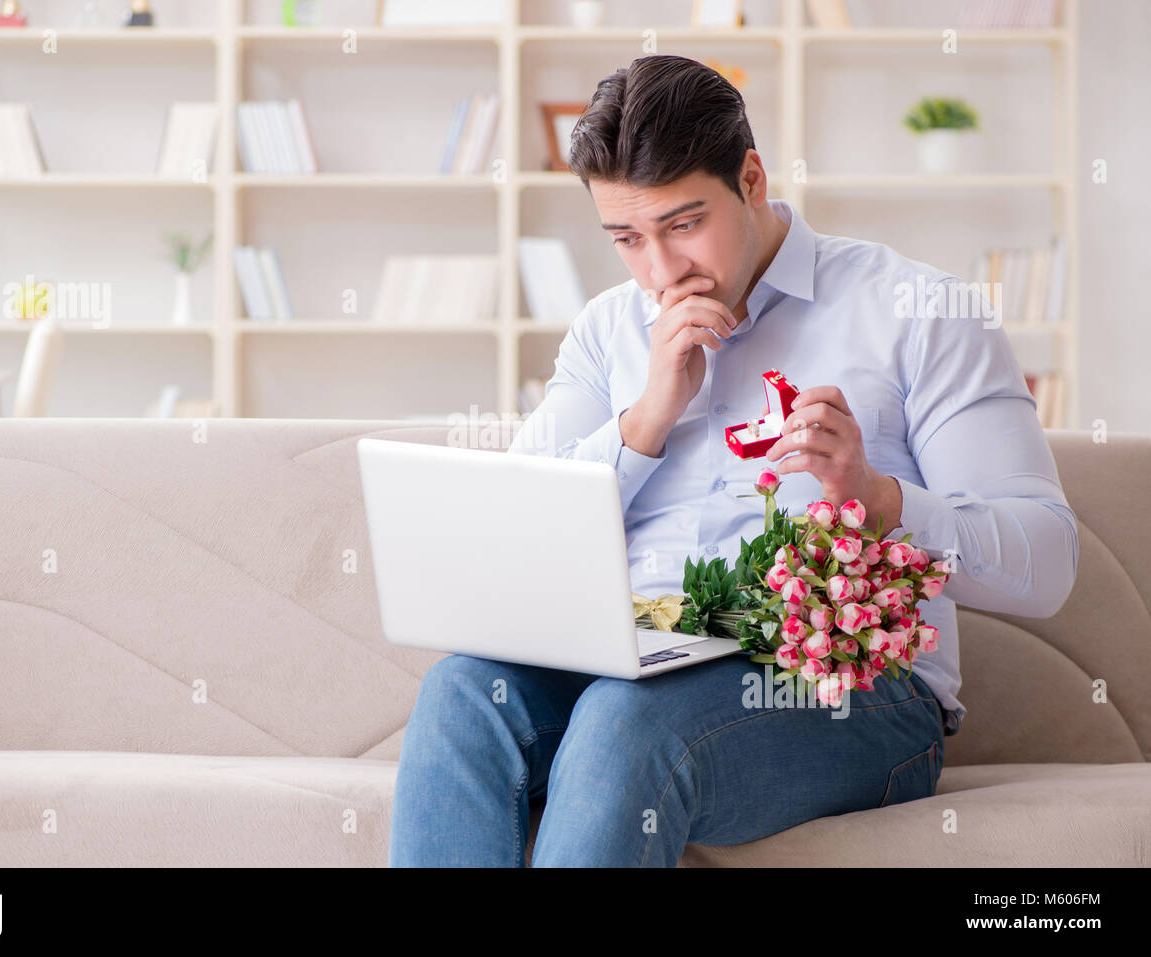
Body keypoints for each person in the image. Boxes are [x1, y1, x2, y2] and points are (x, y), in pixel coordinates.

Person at [388, 54, 1078, 867]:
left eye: (683, 225)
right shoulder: (610, 333)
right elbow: (514, 538)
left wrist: (878, 501)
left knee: (623, 721)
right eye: (626, 238)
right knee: (461, 693)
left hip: (848, 691)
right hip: (642, 650)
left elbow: (1048, 562)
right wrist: (645, 420)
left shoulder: (917, 312)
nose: (661, 271)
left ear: (751, 177)